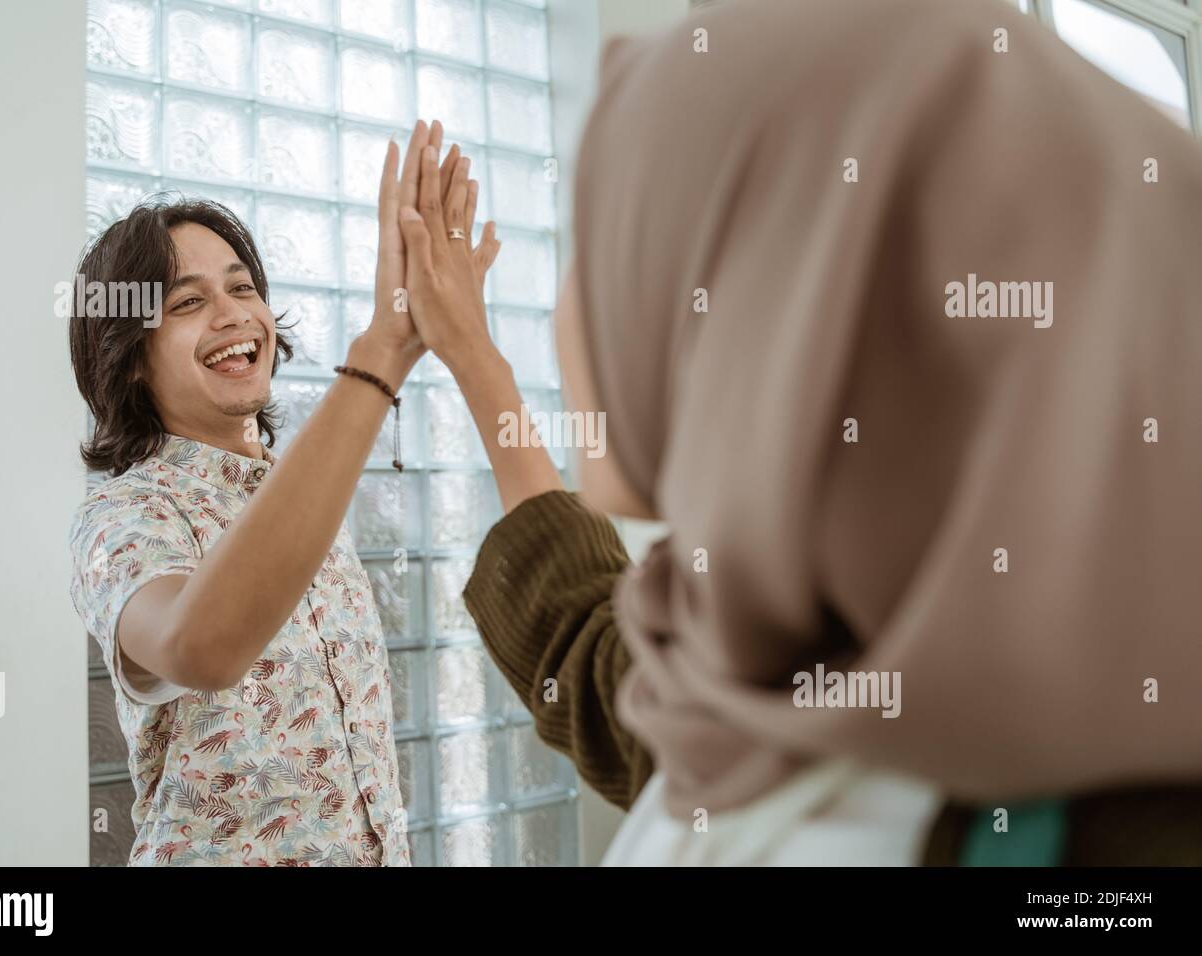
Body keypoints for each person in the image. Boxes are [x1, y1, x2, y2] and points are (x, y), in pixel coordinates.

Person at [394, 0, 1202, 864]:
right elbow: (592, 652)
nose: (571, 317)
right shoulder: (770, 691)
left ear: (791, 310)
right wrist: (474, 358)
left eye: (613, 254)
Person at [67, 120, 496, 866]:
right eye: (187, 302)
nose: (235, 314)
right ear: (129, 358)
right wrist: (383, 349)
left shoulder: (300, 498)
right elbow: (198, 648)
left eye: (242, 288)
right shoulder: (120, 517)